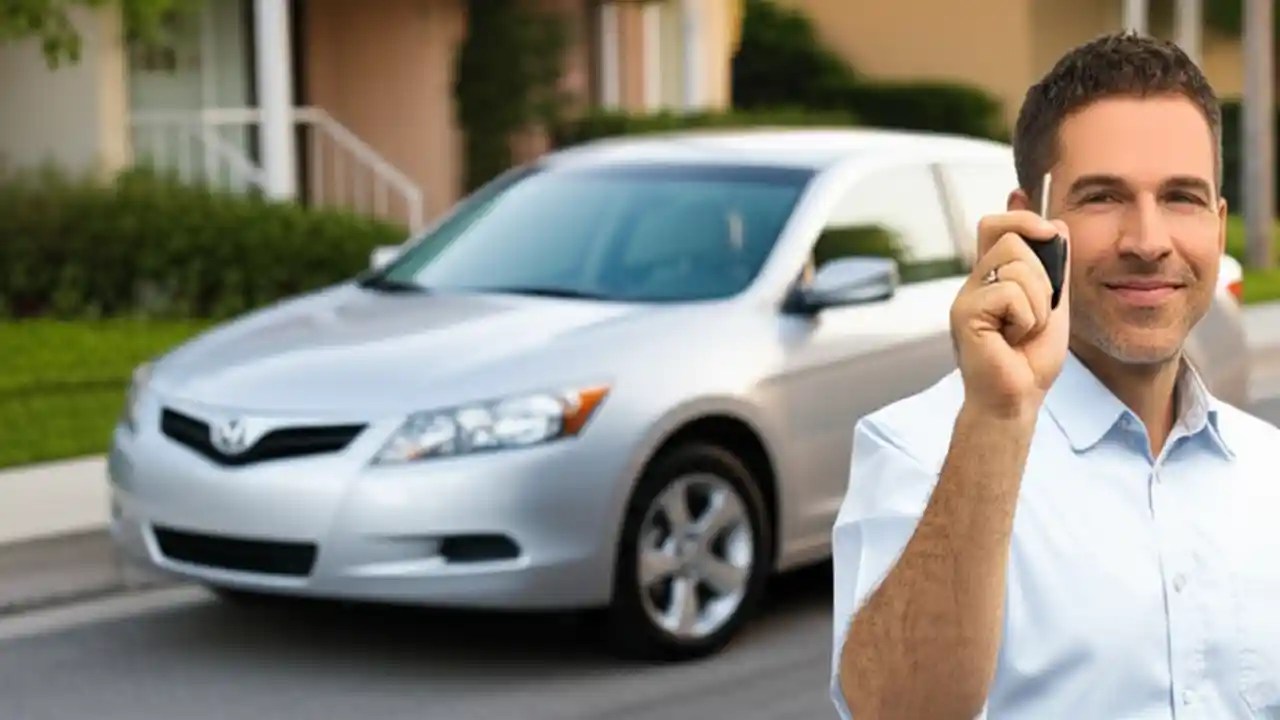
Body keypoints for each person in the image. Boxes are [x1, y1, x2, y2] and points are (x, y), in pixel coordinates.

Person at [830, 31, 1280, 720]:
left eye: (1182, 198)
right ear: (1030, 221)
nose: (1148, 239)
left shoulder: (1268, 469)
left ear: (1218, 227)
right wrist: (999, 417)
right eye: (1103, 197)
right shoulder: (916, 450)